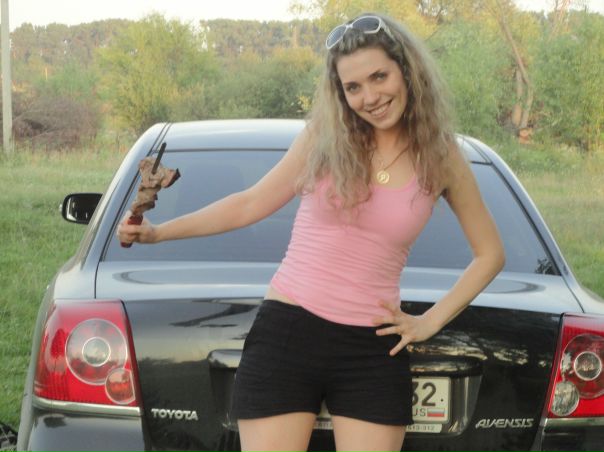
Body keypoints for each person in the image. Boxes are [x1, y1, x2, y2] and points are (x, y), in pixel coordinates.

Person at [118, 12, 505, 452]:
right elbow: (250, 203)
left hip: (373, 345)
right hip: (289, 331)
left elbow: (490, 254)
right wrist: (158, 233)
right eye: (353, 87)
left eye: (379, 77)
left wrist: (428, 322)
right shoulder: (324, 138)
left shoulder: (442, 156)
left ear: (407, 71)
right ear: (340, 93)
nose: (370, 97)